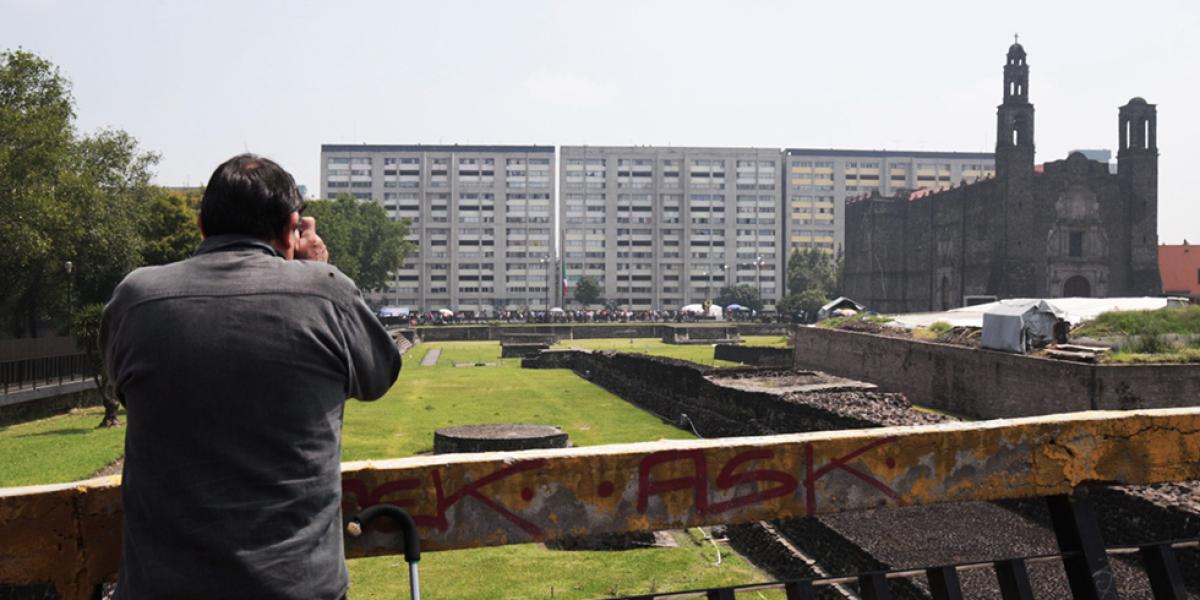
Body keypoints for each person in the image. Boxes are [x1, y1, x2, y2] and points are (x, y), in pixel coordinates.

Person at [102, 154, 401, 599]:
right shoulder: (326, 292)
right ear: (291, 228)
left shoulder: (136, 298)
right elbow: (377, 376)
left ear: (202, 225)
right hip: (297, 586)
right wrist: (316, 269)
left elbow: (122, 387)